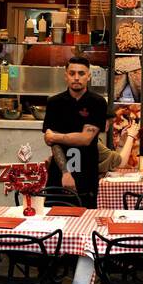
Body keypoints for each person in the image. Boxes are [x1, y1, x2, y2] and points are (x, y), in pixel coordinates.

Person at [42, 55, 107, 204]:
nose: (76, 77)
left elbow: (85, 139)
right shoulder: (54, 103)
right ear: (66, 76)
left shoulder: (97, 102)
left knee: (86, 222)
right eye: (72, 73)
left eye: (81, 73)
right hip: (59, 172)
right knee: (53, 220)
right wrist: (65, 172)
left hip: (87, 172)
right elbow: (53, 144)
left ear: (88, 76)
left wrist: (56, 136)